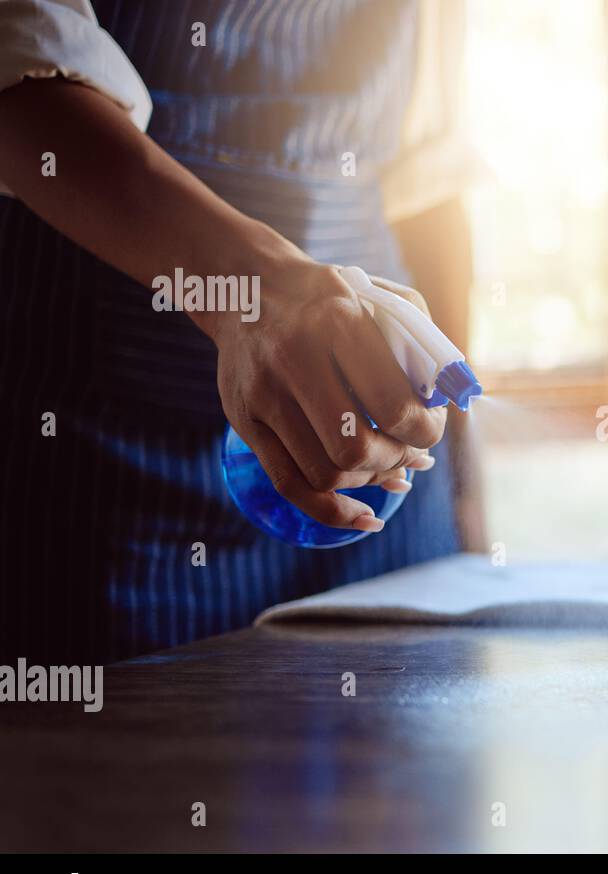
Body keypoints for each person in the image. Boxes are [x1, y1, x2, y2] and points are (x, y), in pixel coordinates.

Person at [0, 0, 479, 663]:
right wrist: (255, 293)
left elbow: (429, 185)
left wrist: (464, 488)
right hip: (107, 465)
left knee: (399, 742)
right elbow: (19, 78)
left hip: (390, 489)